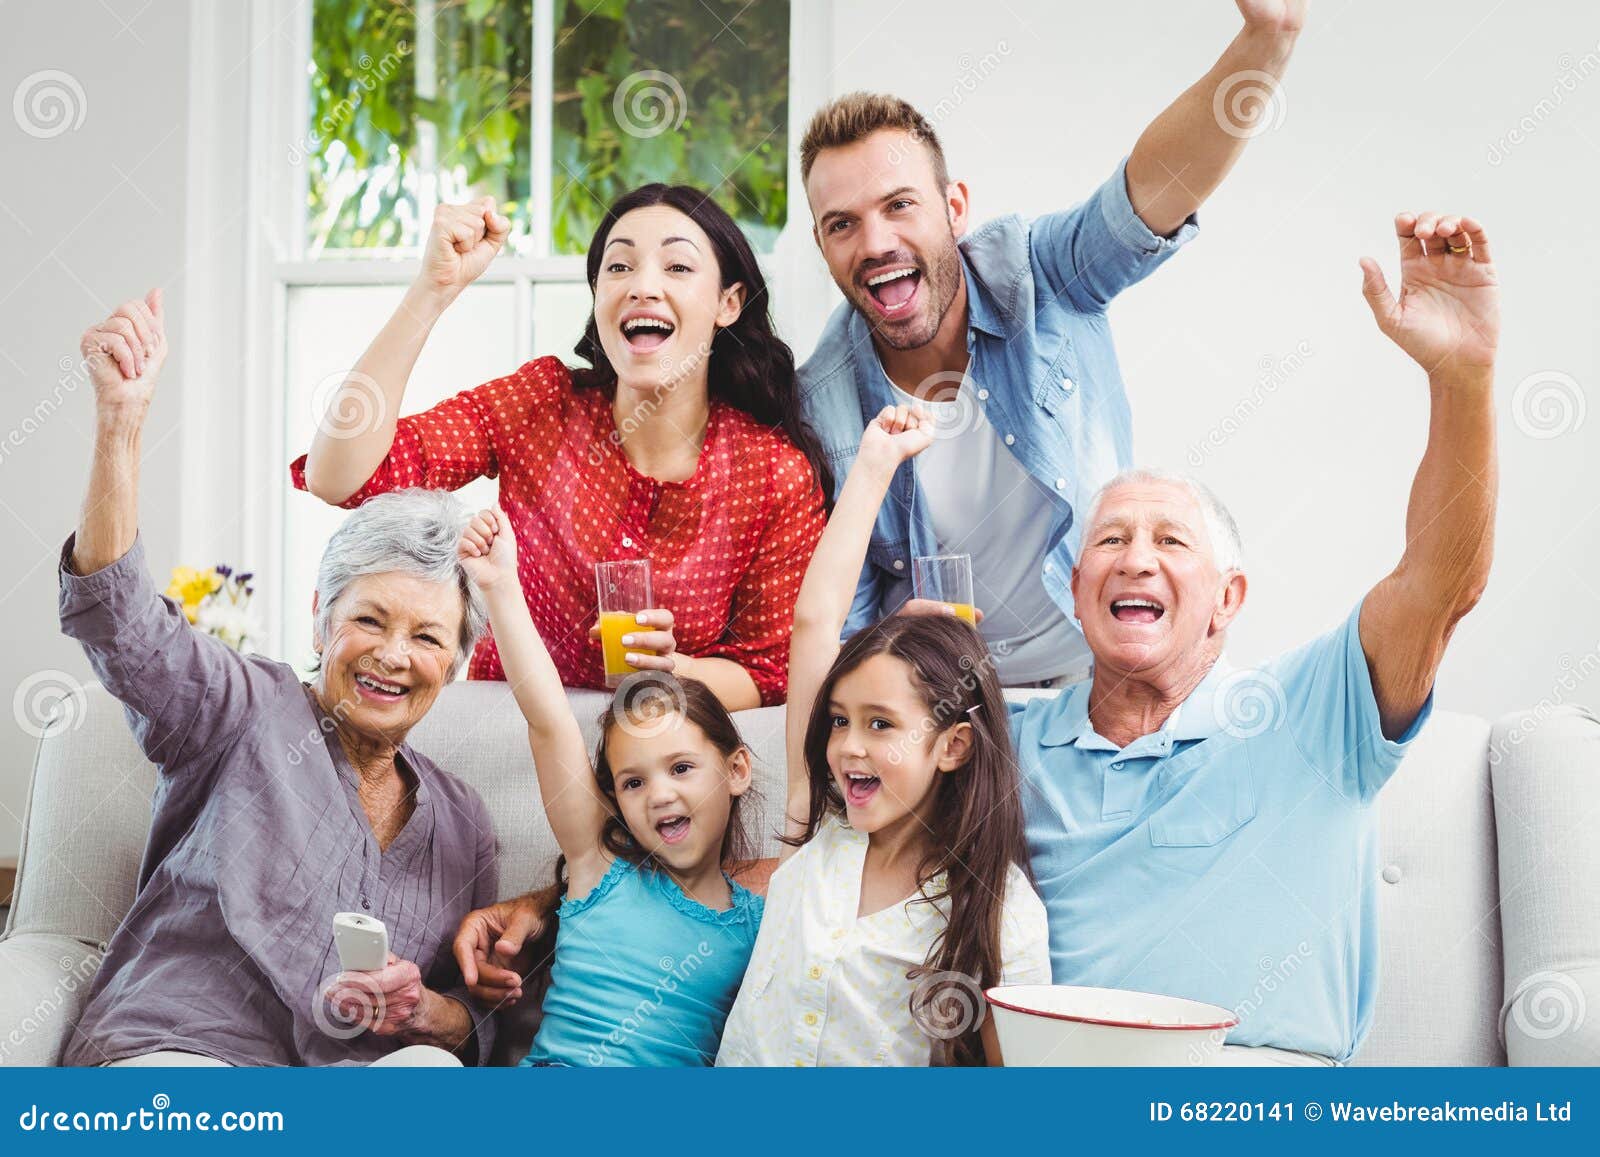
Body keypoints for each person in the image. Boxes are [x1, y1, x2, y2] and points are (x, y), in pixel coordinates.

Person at [1009, 211, 1499, 1063]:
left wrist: (1462, 381)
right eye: (1110, 539)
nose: (1135, 560)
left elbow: (1441, 583)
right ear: (1075, 588)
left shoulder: (1312, 709)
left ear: (1227, 597)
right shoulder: (1007, 740)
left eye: (1170, 541)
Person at [796, 1, 1308, 686]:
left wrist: (1265, 42)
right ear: (822, 246)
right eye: (842, 224)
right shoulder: (821, 402)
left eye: (899, 205)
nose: (876, 243)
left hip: (1108, 675)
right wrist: (888, 647)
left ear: (954, 208)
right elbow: (840, 621)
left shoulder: (1040, 274)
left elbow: (1148, 194)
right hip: (956, 706)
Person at [59, 290, 499, 1067]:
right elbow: (121, 623)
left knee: (432, 1071)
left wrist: (430, 1010)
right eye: (369, 620)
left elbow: (480, 1015)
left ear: (457, 661)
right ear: (320, 619)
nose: (394, 655)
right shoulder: (240, 708)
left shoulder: (464, 823)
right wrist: (119, 423)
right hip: (185, 1048)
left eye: (427, 635)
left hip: (346, 1089)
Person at [295, 185, 828, 711]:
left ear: (728, 304)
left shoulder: (773, 474)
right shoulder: (540, 404)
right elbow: (340, 476)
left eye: (677, 268)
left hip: (664, 763)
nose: (642, 286)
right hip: (505, 737)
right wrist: (431, 291)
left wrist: (676, 671)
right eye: (619, 268)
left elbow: (770, 673)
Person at [716, 406, 1052, 1067]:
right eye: (840, 719)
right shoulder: (821, 823)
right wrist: (873, 469)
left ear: (953, 745)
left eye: (881, 723)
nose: (847, 746)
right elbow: (815, 622)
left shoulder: (997, 909)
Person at [454, 508, 763, 1066]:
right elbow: (548, 718)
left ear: (737, 770)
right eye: (634, 781)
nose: (660, 794)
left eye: (682, 768)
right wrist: (500, 585)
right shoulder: (598, 866)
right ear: (614, 798)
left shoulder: (760, 915)